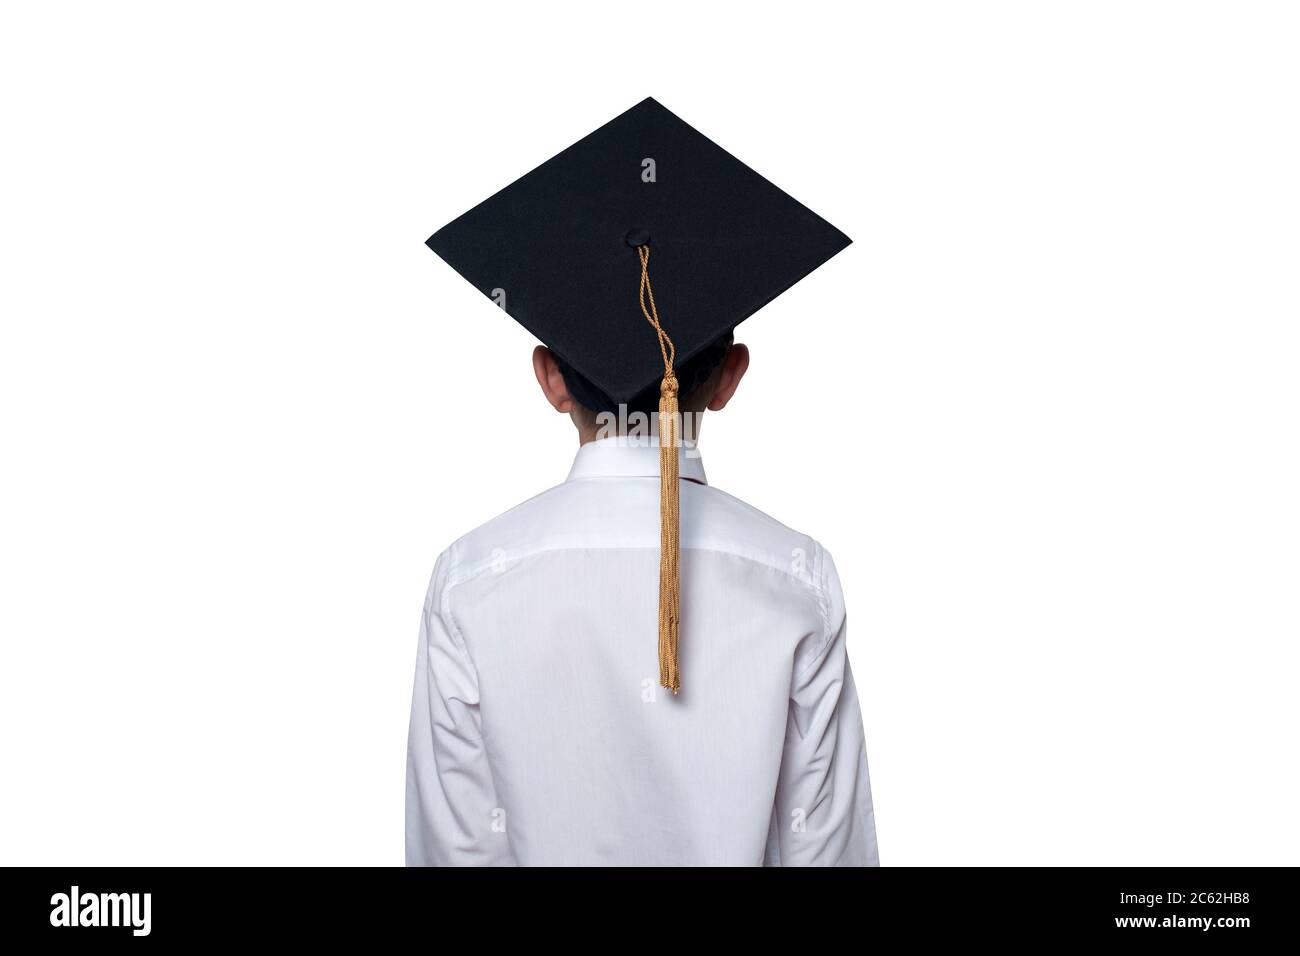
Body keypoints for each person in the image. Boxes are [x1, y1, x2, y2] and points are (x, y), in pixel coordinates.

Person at [406, 98, 878, 866]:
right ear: (730, 377)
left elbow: (455, 850)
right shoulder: (799, 579)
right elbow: (826, 852)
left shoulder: (468, 582)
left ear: (549, 378)